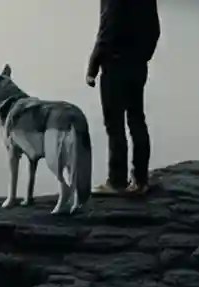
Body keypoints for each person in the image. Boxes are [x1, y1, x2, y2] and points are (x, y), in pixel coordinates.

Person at [85, 0, 161, 196]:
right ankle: (141, 180)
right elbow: (155, 30)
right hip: (137, 65)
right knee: (137, 119)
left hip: (115, 64)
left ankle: (117, 181)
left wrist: (92, 67)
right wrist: (143, 57)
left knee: (114, 124)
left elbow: (107, 29)